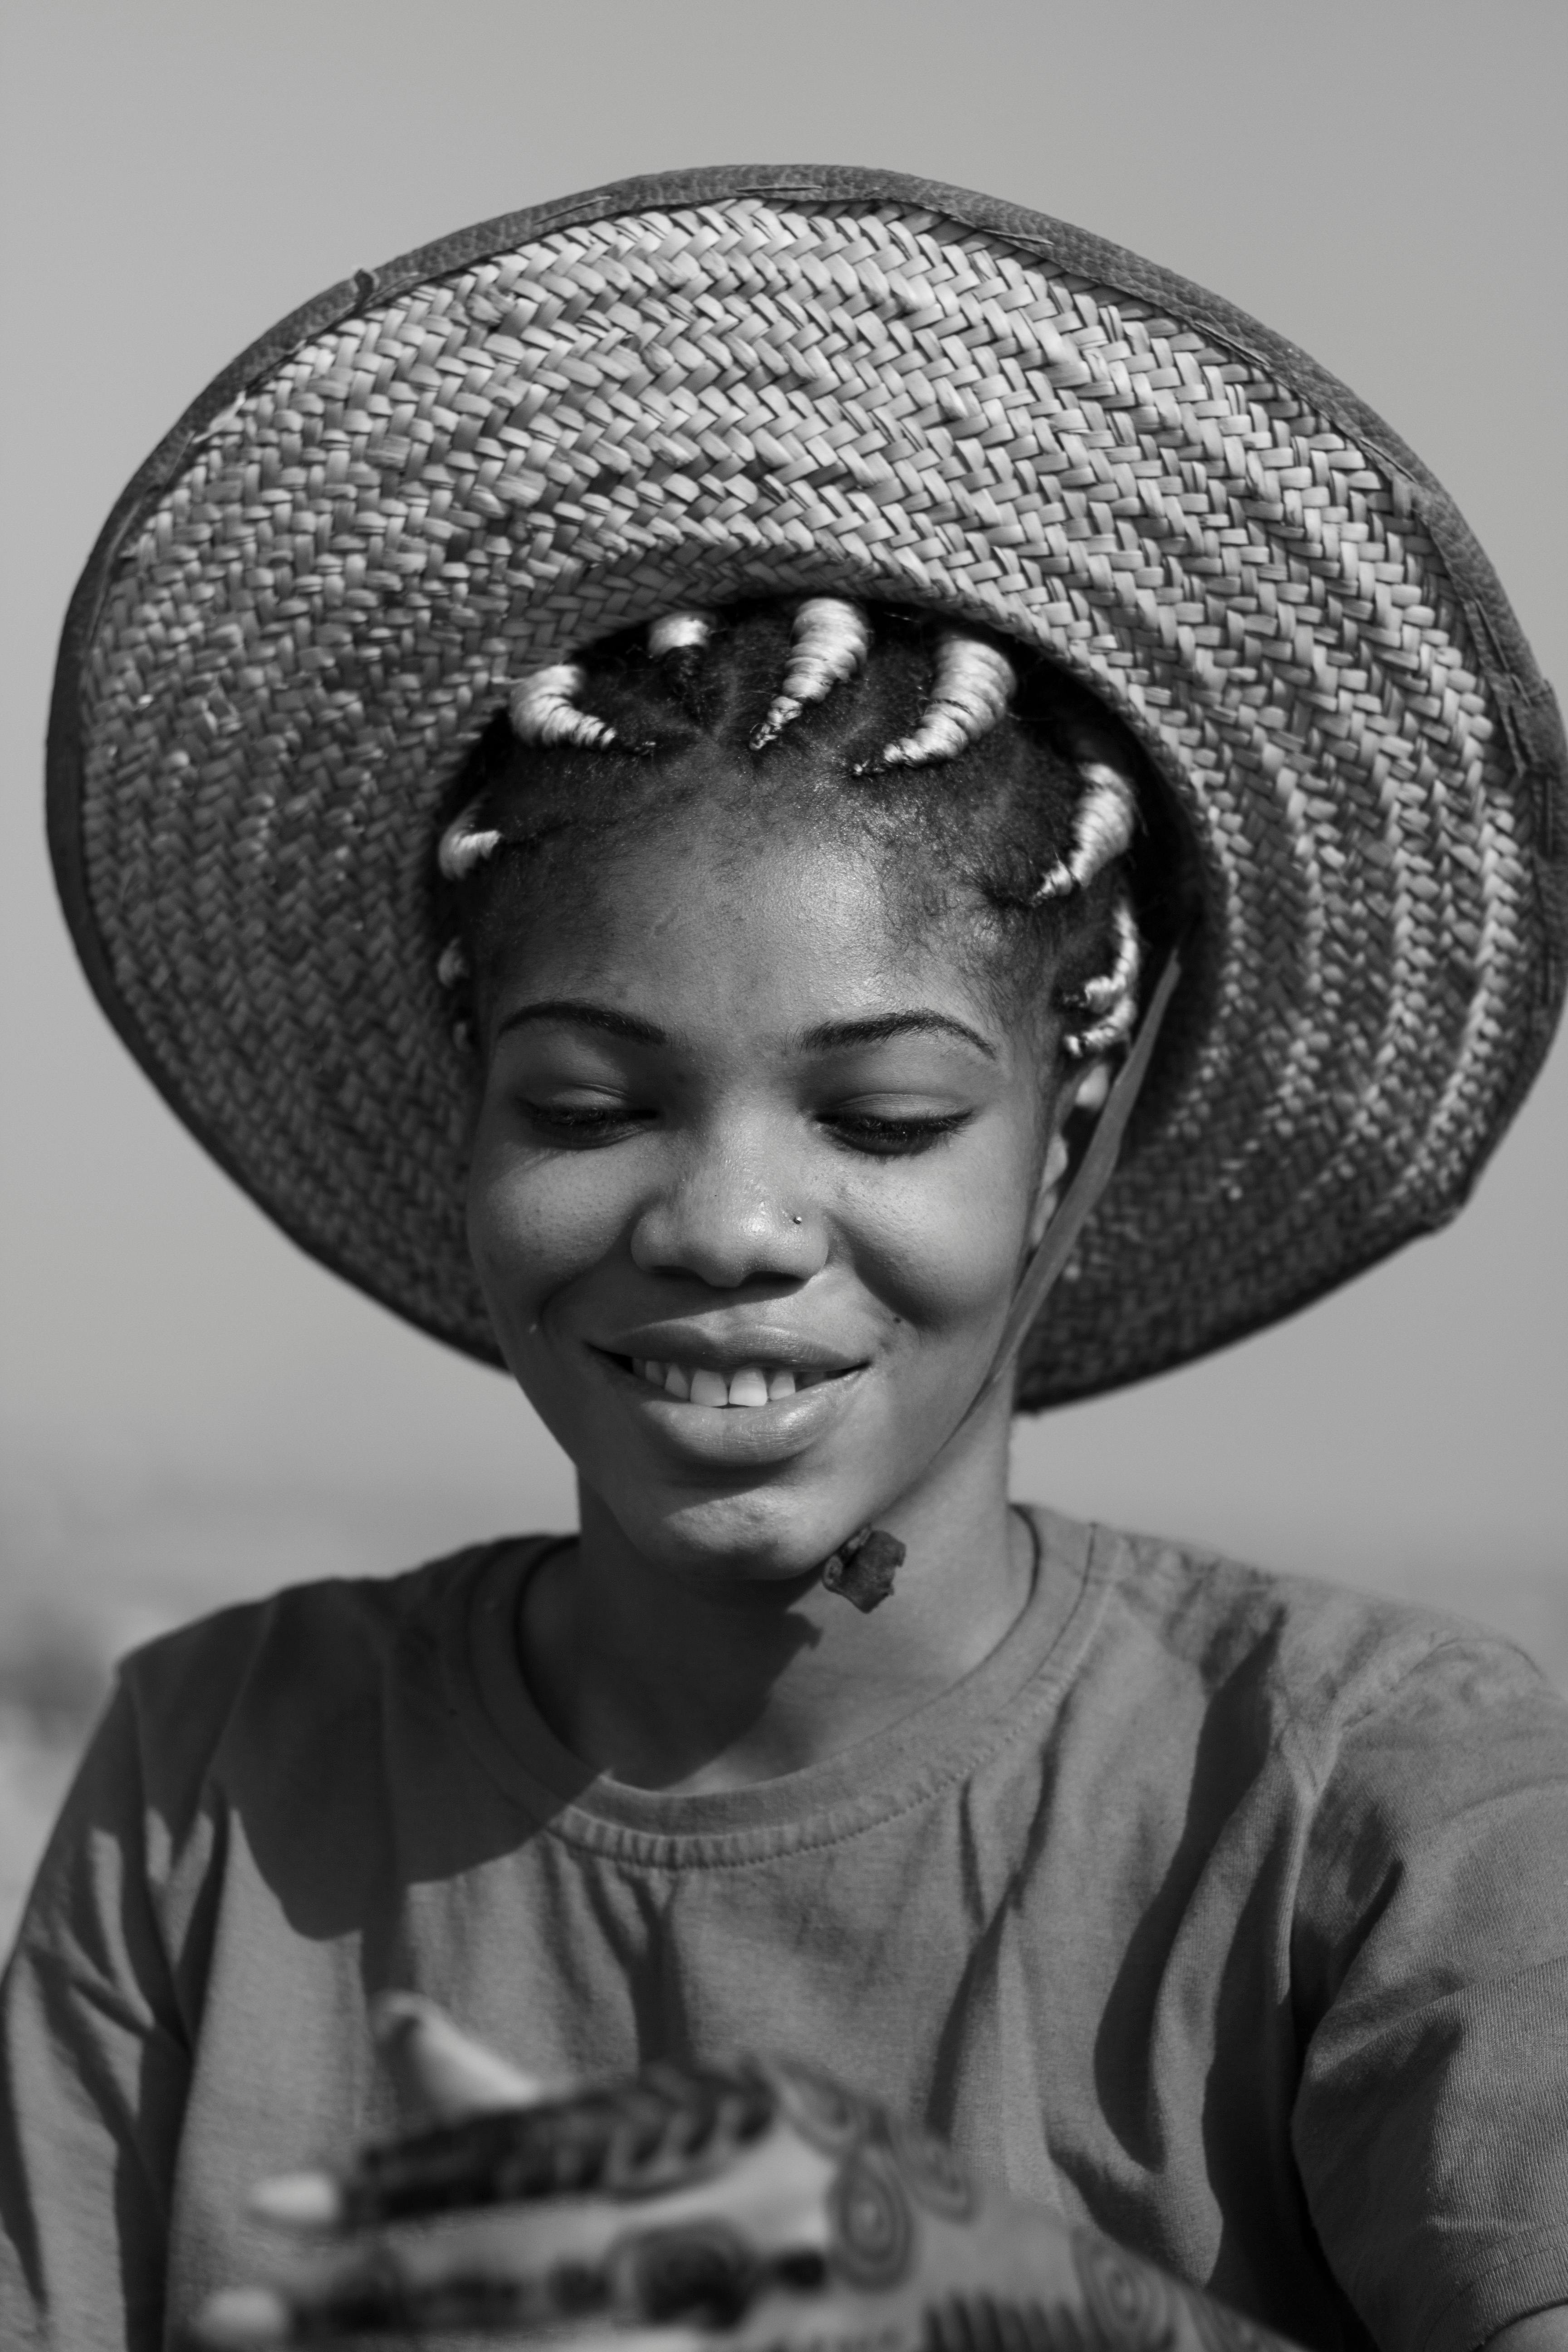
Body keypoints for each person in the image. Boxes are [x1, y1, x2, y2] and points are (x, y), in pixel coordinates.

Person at [3, 165, 1565, 2352]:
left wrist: (934, 2272)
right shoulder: (219, 1785)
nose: (728, 1225)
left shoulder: (1378, 1806)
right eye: (587, 1105)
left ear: (1065, 1144)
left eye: (886, 1119)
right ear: (468, 1126)